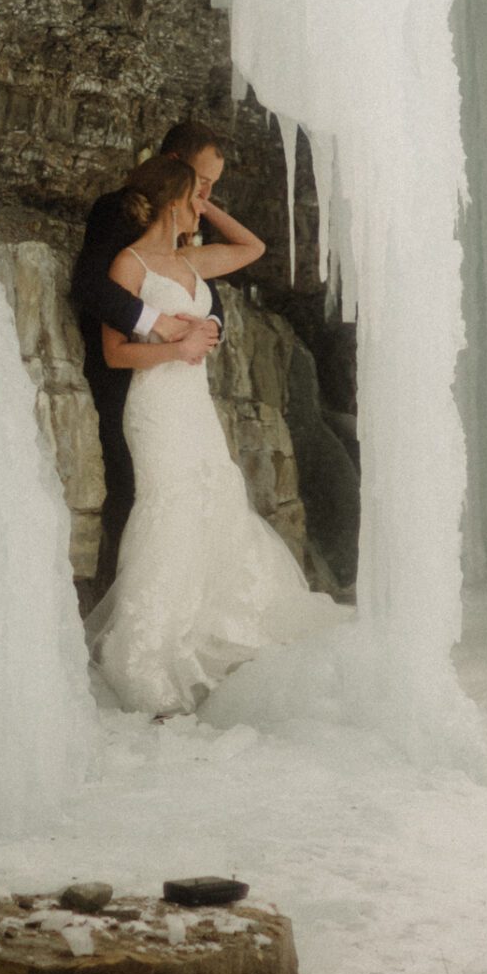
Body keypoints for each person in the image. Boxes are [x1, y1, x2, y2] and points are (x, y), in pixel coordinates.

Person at [86, 154, 334, 715]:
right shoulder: (129, 265)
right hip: (154, 406)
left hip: (194, 407)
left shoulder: (189, 260)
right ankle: (144, 653)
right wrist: (178, 347)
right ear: (170, 203)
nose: (202, 206)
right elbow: (114, 353)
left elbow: (252, 247)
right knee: (169, 509)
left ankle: (209, 629)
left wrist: (208, 206)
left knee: (213, 500)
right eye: (194, 197)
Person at [70, 121, 229, 594]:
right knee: (129, 486)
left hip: (179, 386)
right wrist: (155, 322)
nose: (205, 197)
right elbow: (91, 285)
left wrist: (210, 324)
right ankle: (116, 596)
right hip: (125, 372)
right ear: (174, 166)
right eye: (202, 182)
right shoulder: (116, 210)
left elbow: (205, 291)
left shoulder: (189, 220)